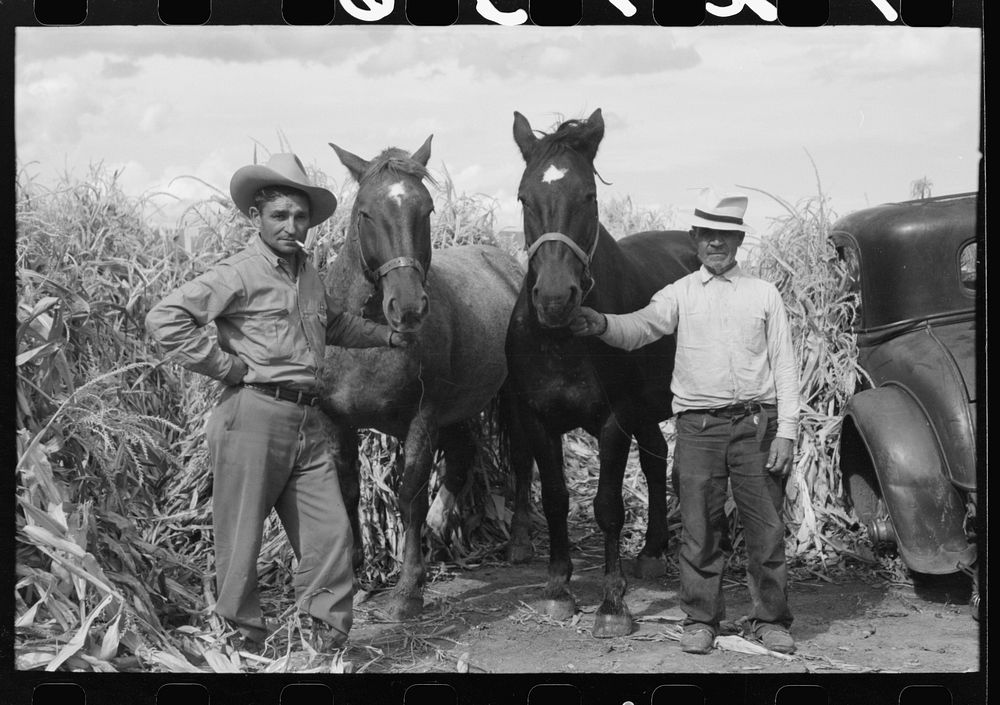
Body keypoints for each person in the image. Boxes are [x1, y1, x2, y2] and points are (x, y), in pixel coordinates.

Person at [146, 153, 411, 652]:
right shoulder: (240, 272)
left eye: (300, 217)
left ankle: (326, 644)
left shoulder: (307, 272)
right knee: (242, 540)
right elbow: (166, 319)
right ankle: (242, 645)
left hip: (308, 421)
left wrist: (388, 338)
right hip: (253, 416)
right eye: (279, 216)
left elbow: (333, 325)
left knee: (332, 535)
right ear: (255, 218)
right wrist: (226, 368)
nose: (292, 226)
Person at [570, 190, 799, 655]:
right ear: (695, 240)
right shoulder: (679, 294)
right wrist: (602, 325)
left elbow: (786, 365)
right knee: (699, 530)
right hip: (699, 428)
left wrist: (788, 430)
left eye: (725, 235)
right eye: (707, 235)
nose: (716, 243)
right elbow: (642, 327)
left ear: (738, 240)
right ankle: (701, 619)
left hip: (757, 426)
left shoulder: (764, 294)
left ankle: (771, 620)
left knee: (766, 529)